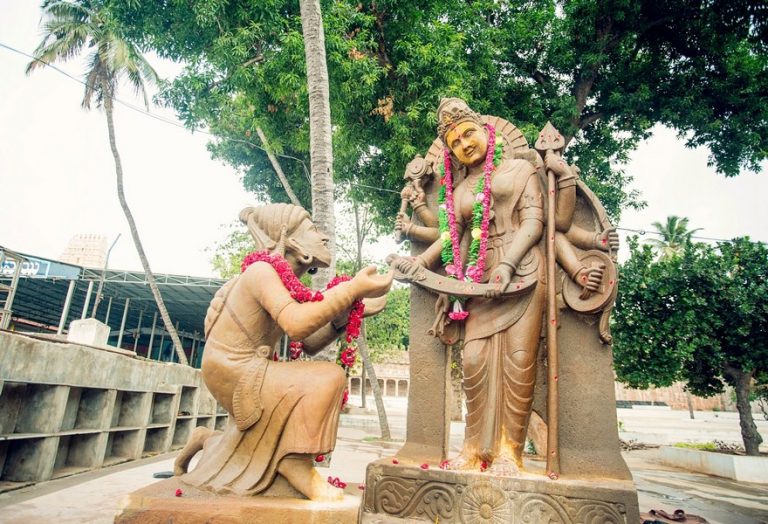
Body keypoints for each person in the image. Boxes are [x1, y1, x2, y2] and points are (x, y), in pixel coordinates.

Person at [397, 98, 584, 474]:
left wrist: (509, 264)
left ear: (487, 132)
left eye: (469, 134)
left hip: (523, 272)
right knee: (473, 362)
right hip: (479, 281)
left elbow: (534, 222)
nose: (465, 144)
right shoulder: (460, 190)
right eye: (455, 142)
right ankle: (473, 449)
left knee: (519, 361)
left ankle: (509, 452)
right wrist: (420, 263)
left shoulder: (519, 169)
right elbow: (453, 239)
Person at [174, 203, 392, 500]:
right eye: (313, 229)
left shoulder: (283, 280)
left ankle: (206, 440)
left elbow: (310, 343)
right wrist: (351, 289)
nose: (324, 237)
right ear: (290, 240)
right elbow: (297, 324)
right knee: (328, 377)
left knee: (323, 377)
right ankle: (294, 463)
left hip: (247, 366)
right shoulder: (261, 272)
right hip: (232, 367)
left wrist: (343, 318)